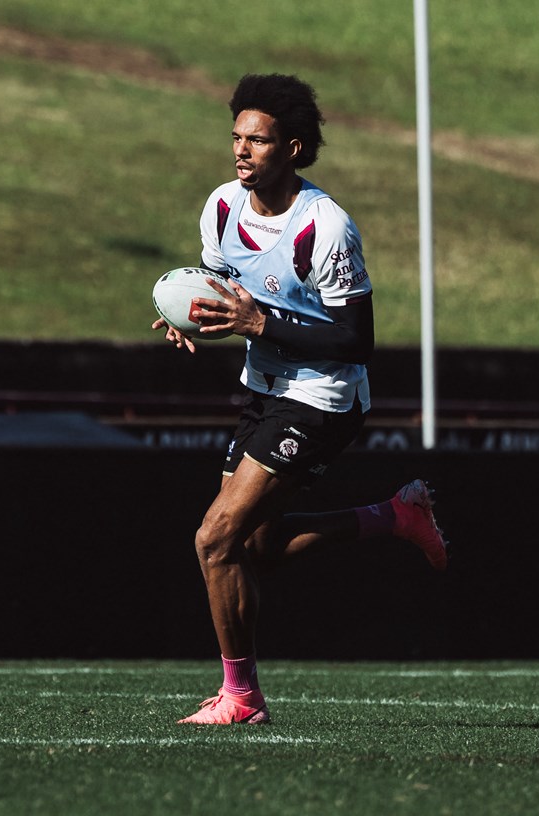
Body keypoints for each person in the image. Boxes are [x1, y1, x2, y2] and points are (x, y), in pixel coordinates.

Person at [151, 73, 449, 725]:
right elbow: (221, 283)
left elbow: (355, 340)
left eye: (257, 140)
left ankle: (242, 697)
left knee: (214, 539)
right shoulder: (223, 207)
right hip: (263, 388)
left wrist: (260, 326)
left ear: (292, 148)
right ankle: (395, 516)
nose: (241, 151)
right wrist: (189, 314)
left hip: (323, 397)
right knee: (251, 550)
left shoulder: (326, 227)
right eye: (236, 138)